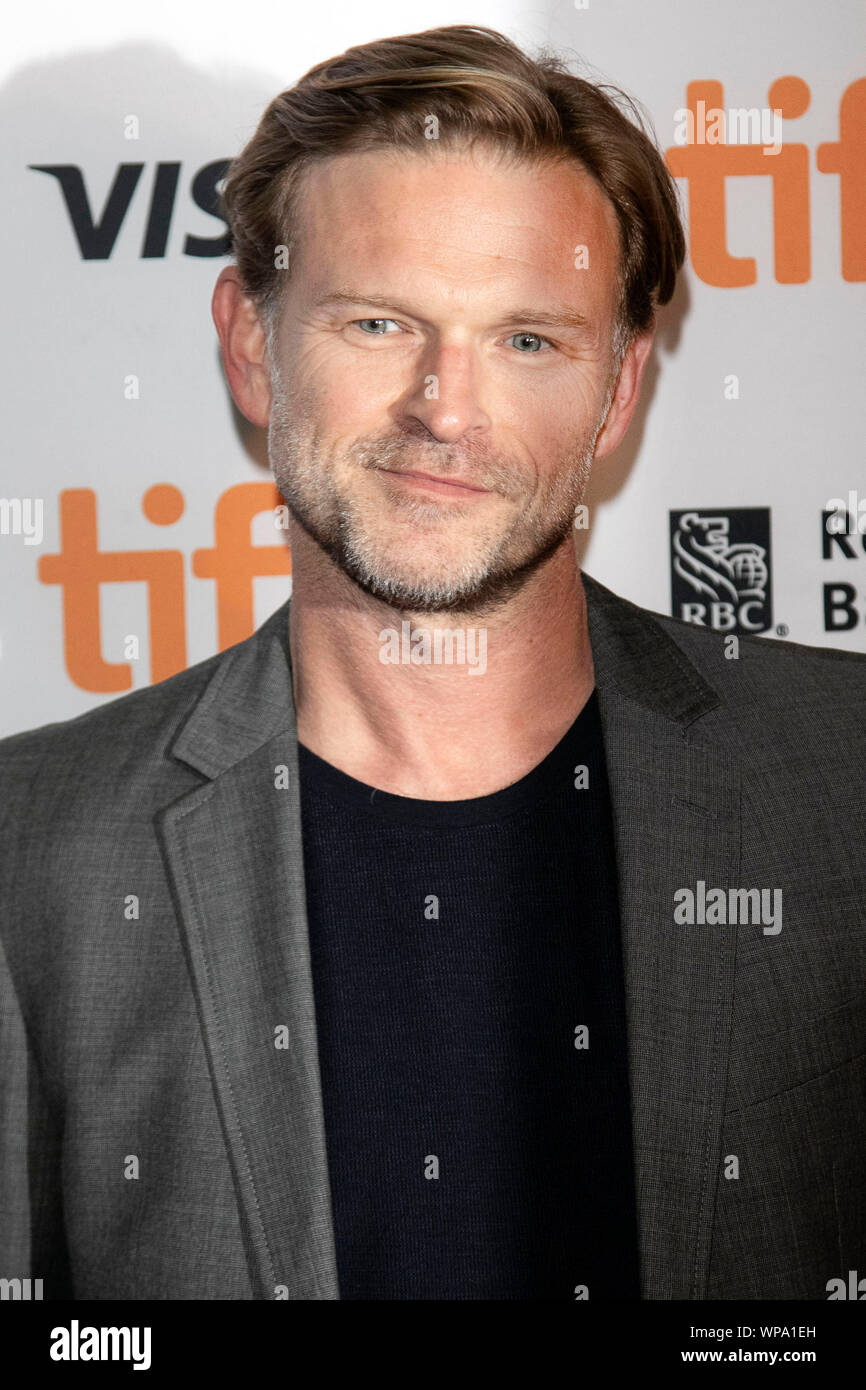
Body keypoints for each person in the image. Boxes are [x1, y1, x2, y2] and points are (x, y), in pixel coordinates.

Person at [1, 24, 863, 1302]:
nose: (443, 409)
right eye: (378, 321)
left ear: (618, 390)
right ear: (251, 343)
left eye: (527, 340)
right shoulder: (34, 845)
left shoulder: (839, 771)